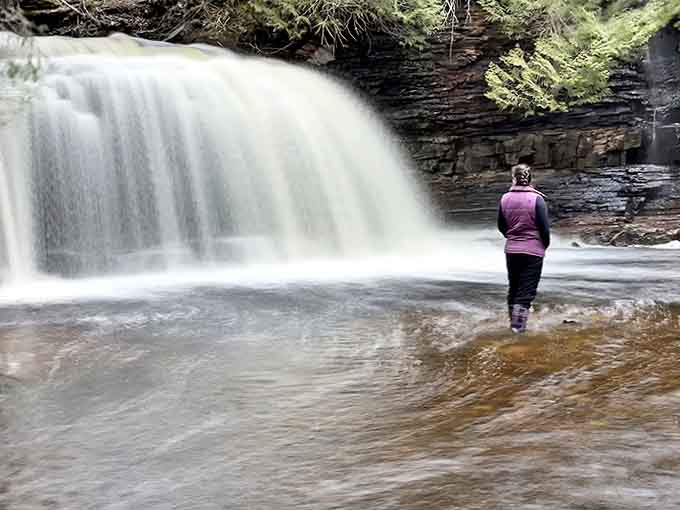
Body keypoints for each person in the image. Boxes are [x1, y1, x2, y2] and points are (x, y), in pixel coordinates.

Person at [497, 164, 550, 333]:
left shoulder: (504, 198)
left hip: (512, 250)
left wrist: (513, 237)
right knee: (526, 291)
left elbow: (501, 226)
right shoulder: (537, 200)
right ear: (530, 179)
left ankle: (513, 323)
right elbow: (544, 228)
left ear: (513, 178)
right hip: (533, 250)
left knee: (514, 287)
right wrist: (544, 244)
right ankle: (518, 329)